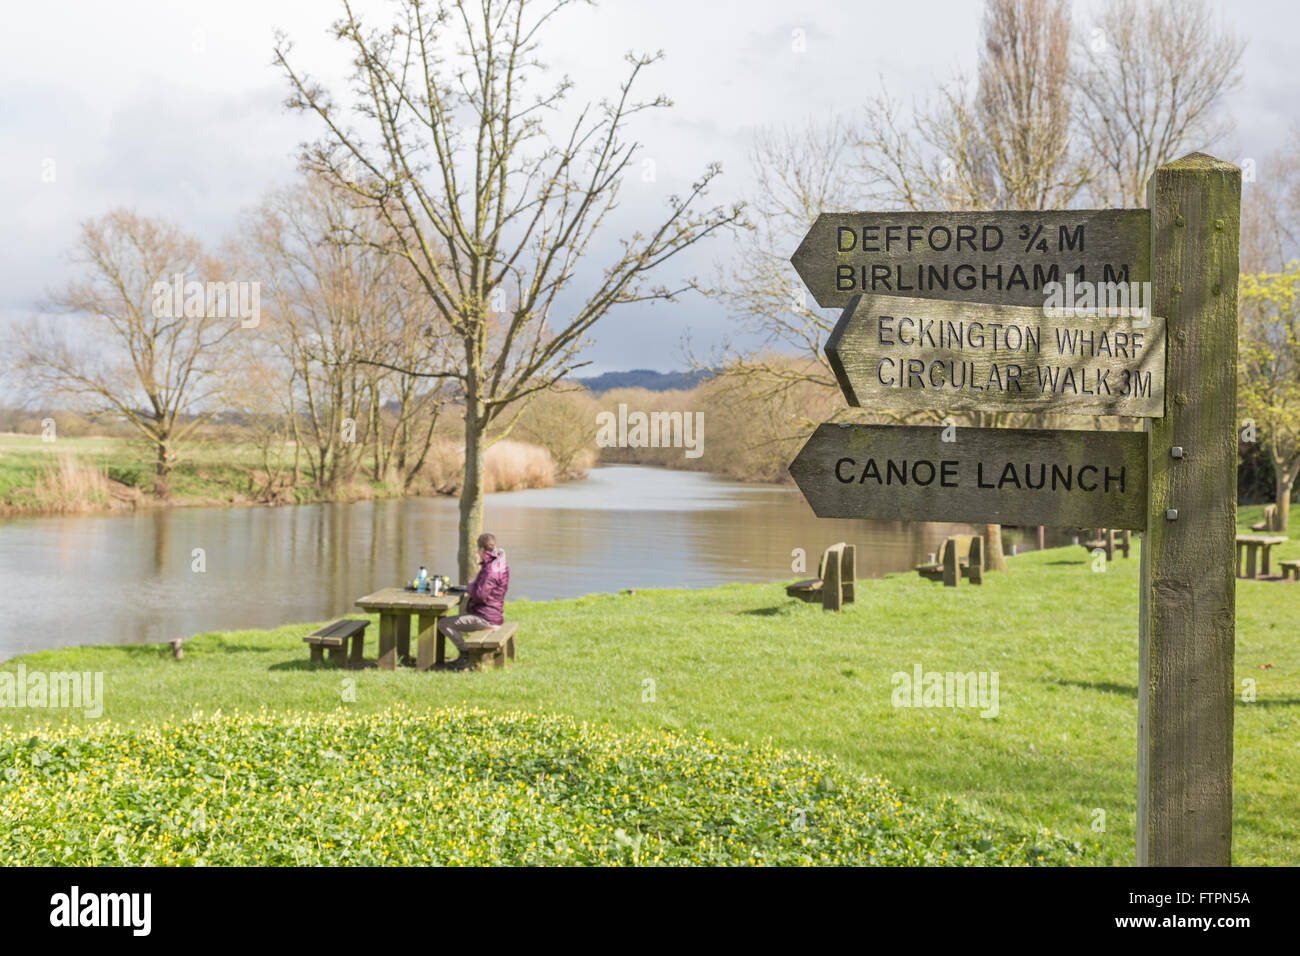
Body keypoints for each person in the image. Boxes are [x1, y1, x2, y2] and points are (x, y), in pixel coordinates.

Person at [438, 533, 509, 669]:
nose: (477, 552)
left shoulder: (490, 569)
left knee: (443, 624)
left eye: (478, 549)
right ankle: (466, 655)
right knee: (453, 620)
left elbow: (480, 596)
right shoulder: (499, 563)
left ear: (482, 550)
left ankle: (465, 655)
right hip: (494, 614)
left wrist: (470, 587)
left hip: (485, 618)